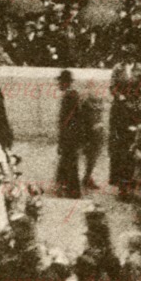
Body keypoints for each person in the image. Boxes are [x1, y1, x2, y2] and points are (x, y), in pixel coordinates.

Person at [55, 69, 83, 198]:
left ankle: (72, 189)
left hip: (69, 135)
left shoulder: (69, 96)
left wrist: (62, 137)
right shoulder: (73, 95)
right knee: (68, 161)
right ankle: (67, 187)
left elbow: (67, 119)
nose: (59, 84)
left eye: (60, 82)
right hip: (73, 134)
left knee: (69, 162)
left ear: (65, 83)